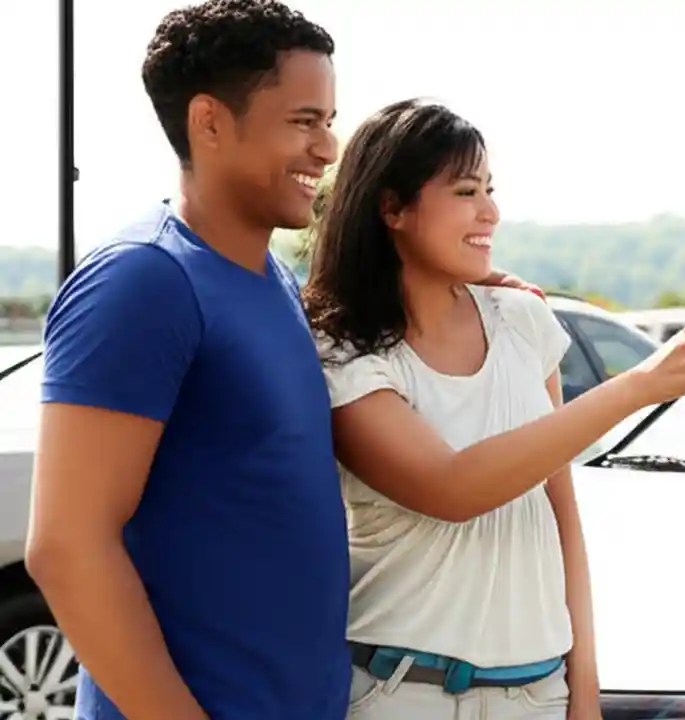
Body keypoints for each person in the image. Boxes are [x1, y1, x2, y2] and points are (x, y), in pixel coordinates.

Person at [25, 3, 534, 718]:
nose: (328, 148)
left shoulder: (276, 284)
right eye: (304, 121)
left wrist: (468, 283)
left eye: (329, 121)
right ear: (209, 121)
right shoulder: (143, 279)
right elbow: (67, 546)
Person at [300, 99, 685, 720]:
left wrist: (583, 691)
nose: (490, 211)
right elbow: (452, 487)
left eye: (490, 189)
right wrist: (639, 385)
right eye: (466, 191)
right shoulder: (340, 349)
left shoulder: (522, 320)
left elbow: (562, 515)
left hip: (539, 695)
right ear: (392, 208)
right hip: (401, 692)